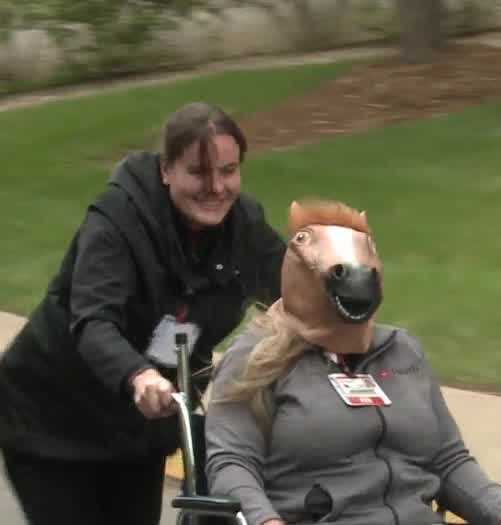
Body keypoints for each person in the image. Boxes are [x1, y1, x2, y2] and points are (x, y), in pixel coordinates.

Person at [0, 102, 287, 525]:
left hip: (140, 428)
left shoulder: (244, 227)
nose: (216, 187)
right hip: (52, 420)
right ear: (166, 170)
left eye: (227, 171)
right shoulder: (119, 219)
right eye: (198, 172)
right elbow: (94, 320)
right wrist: (139, 375)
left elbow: (295, 293)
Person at [205, 199, 501, 525]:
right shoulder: (256, 358)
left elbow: (447, 459)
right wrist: (264, 520)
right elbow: (232, 463)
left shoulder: (402, 351)